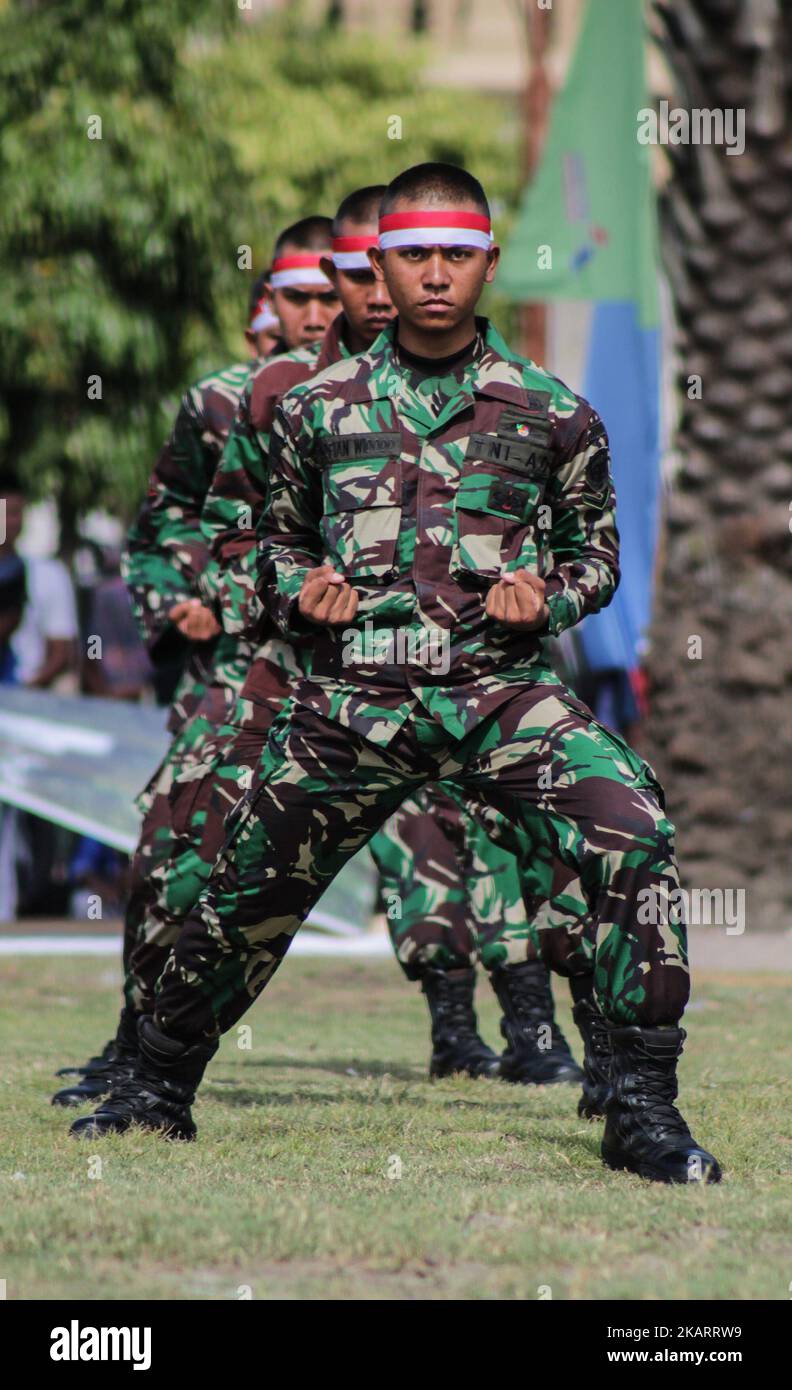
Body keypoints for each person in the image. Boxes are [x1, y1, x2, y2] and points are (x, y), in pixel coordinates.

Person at [71, 164, 718, 1186]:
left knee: (632, 822)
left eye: (455, 256)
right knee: (238, 891)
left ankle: (642, 1108)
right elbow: (267, 539)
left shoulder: (552, 411)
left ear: (487, 265)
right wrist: (300, 587)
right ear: (379, 262)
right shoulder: (312, 407)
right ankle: (155, 1085)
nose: (432, 275)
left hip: (499, 696)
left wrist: (545, 598)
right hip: (351, 703)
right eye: (413, 254)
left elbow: (596, 555)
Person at [52, 222, 339, 1103]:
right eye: (303, 296)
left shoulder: (419, 390)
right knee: (175, 844)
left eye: (334, 293)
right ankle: (140, 1048)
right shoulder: (230, 399)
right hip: (252, 664)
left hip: (398, 670)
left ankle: (545, 1042)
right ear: (271, 303)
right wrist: (186, 603)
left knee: (509, 839)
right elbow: (179, 522)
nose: (320, 312)